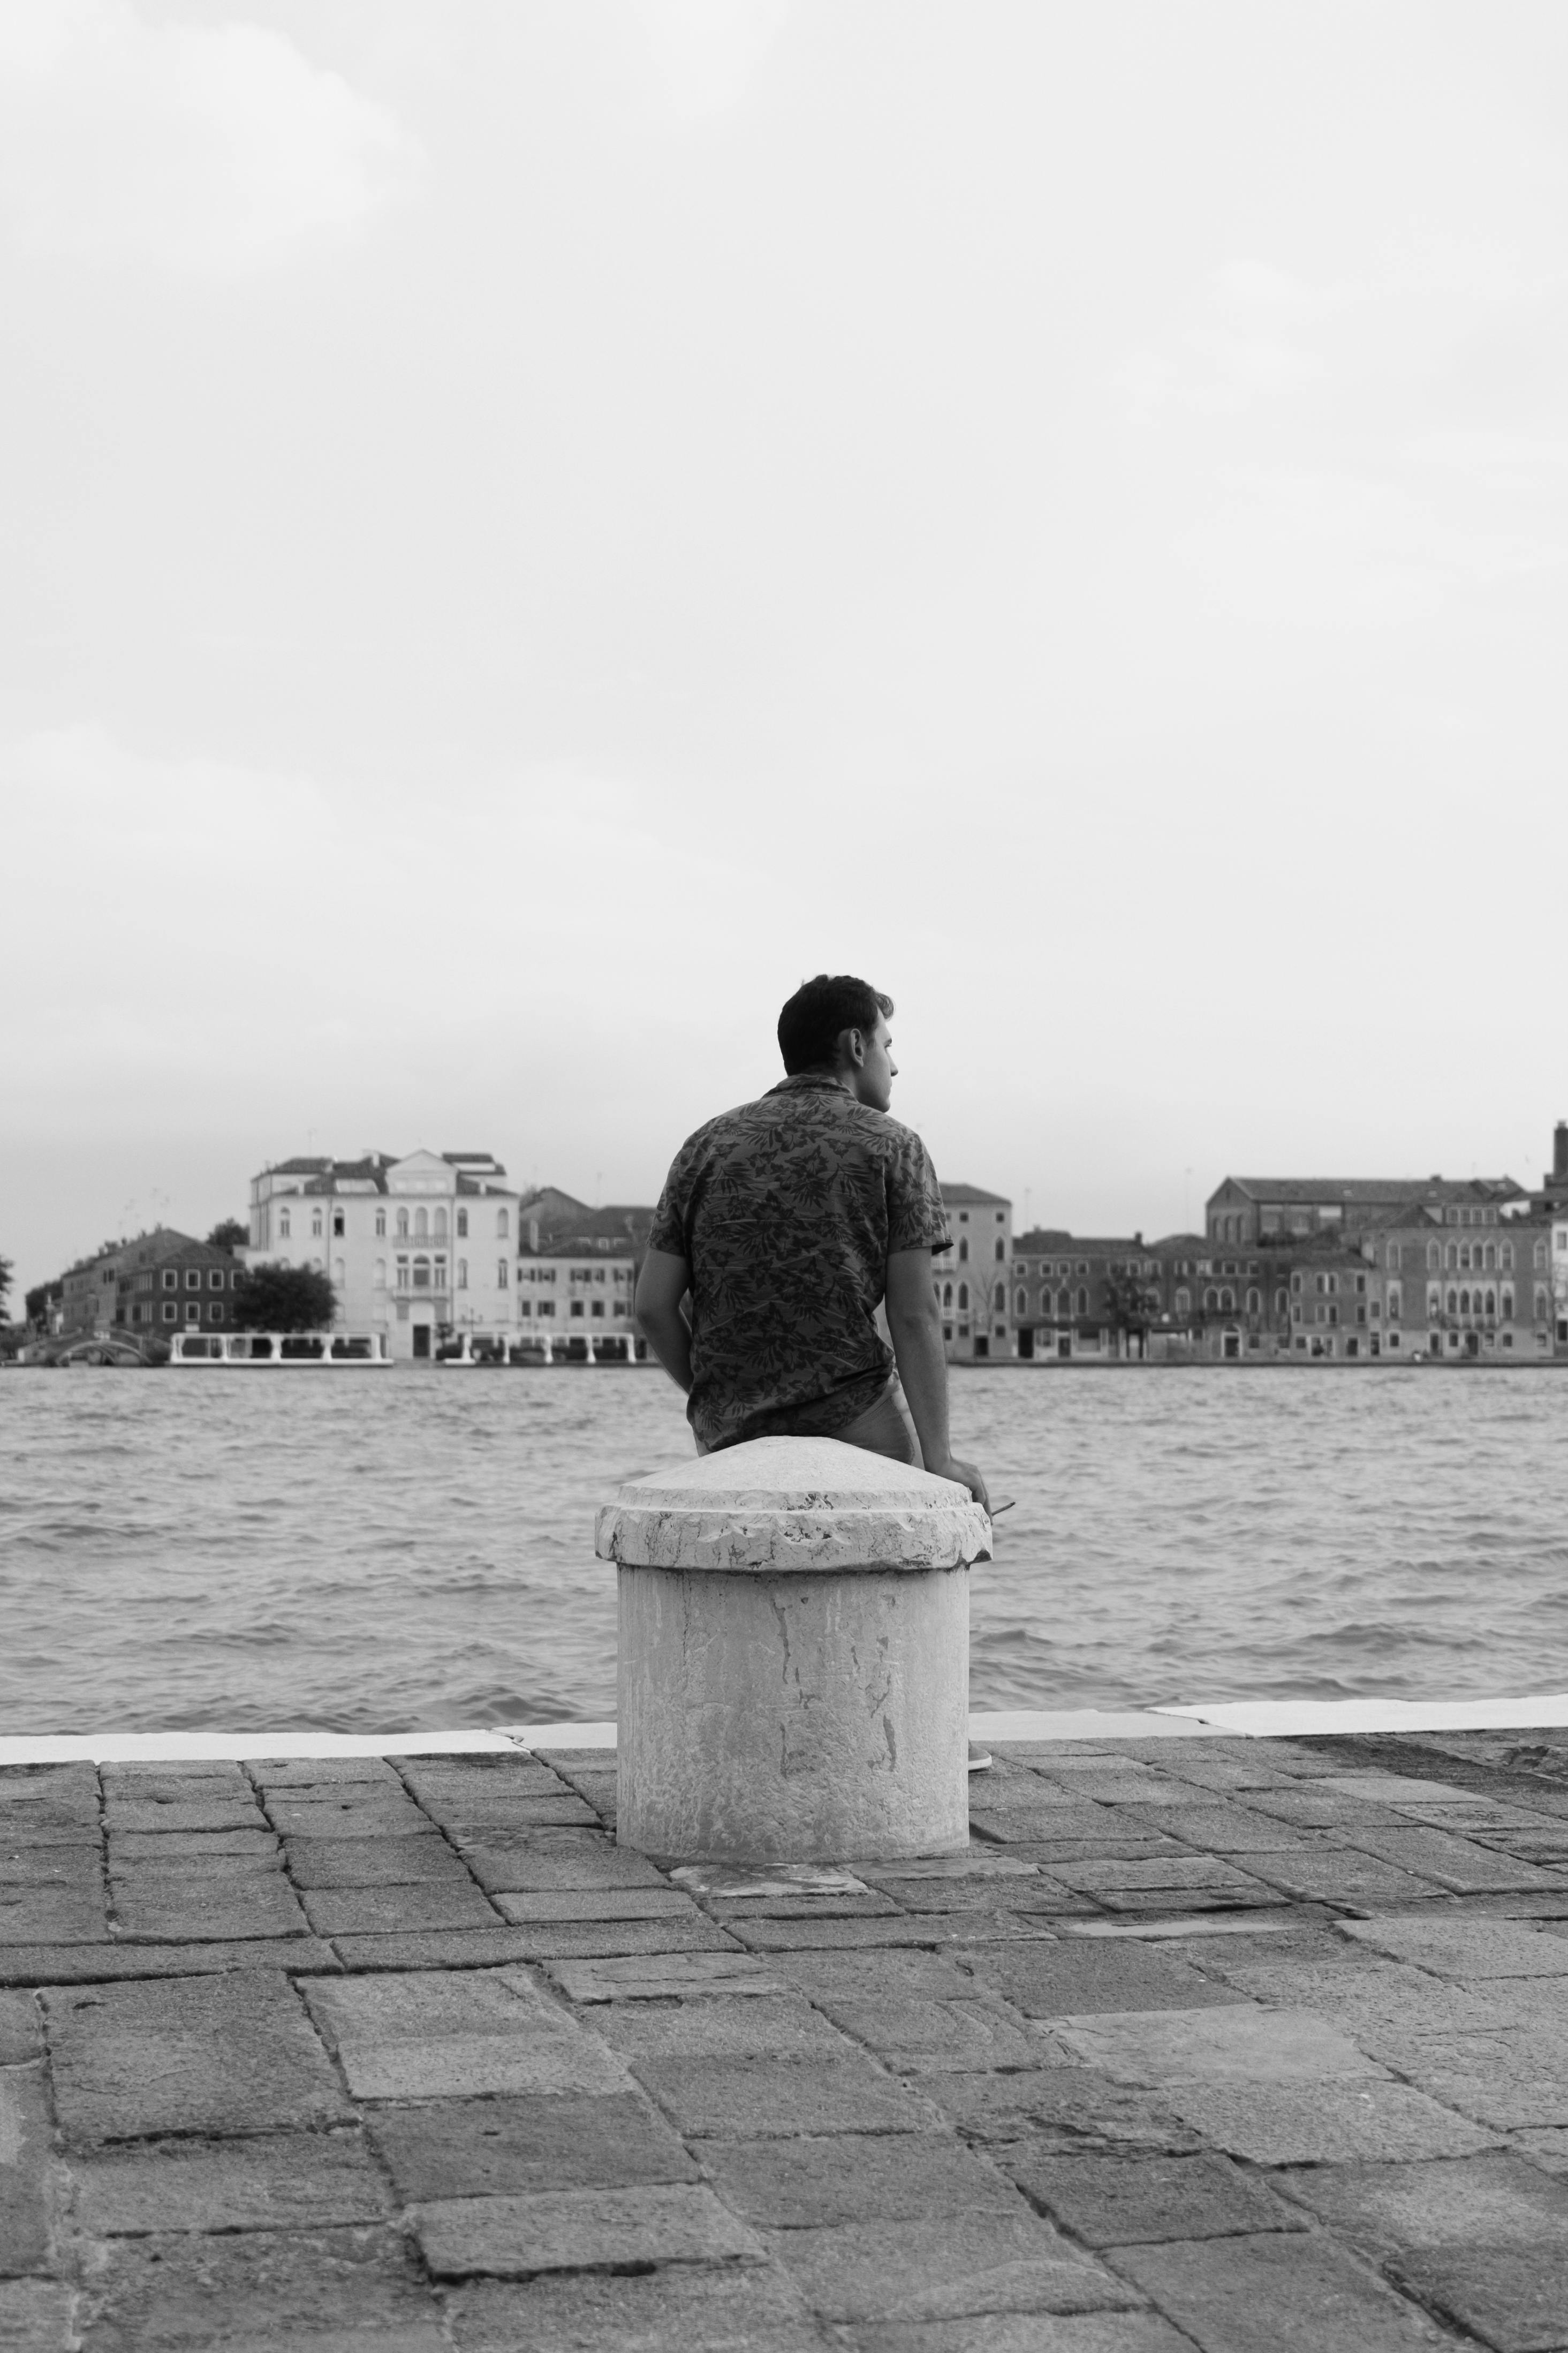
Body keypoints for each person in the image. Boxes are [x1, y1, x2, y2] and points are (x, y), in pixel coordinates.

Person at [635, 973, 989, 1509]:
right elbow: (914, 1314)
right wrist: (940, 1459)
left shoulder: (702, 1147)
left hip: (729, 1423)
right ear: (854, 1045)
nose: (893, 1065)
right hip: (857, 1412)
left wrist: (718, 1398)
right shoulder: (894, 1147)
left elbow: (651, 1307)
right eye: (886, 1045)